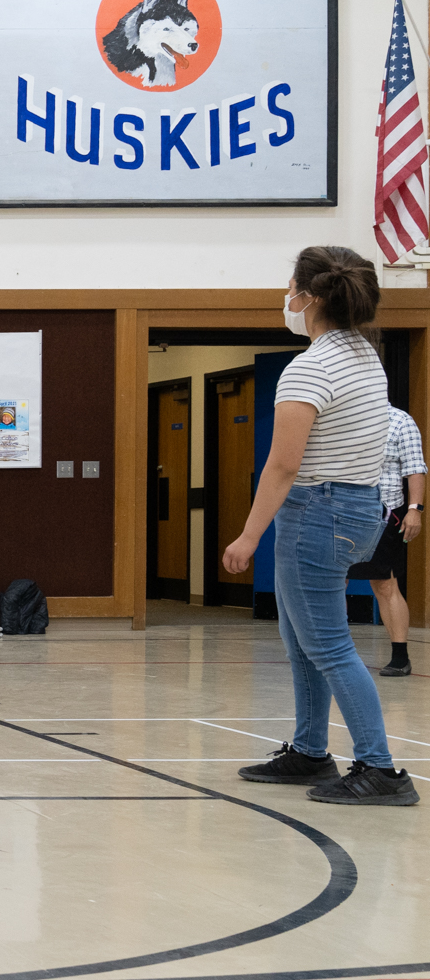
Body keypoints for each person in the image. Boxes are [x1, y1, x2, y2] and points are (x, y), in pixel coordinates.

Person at [223, 246, 418, 807]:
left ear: (308, 297)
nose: (284, 295)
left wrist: (249, 535)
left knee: (329, 646)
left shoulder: (309, 368)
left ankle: (380, 770)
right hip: (356, 509)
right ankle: (309, 751)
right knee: (302, 641)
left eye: (289, 286)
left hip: (318, 513)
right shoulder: (365, 355)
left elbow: (283, 465)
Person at [346, 403, 424, 677]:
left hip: (384, 512)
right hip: (341, 511)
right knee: (332, 582)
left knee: (384, 584)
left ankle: (400, 657)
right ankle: (333, 651)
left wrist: (415, 509)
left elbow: (415, 467)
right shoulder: (340, 416)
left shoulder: (400, 421)